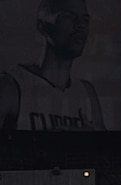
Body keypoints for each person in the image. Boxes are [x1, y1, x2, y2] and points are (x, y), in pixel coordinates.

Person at [0, 0, 106, 132]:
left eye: (85, 19)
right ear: (42, 26)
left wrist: (93, 143)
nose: (80, 25)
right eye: (68, 16)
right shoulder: (11, 87)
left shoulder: (86, 93)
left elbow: (109, 151)